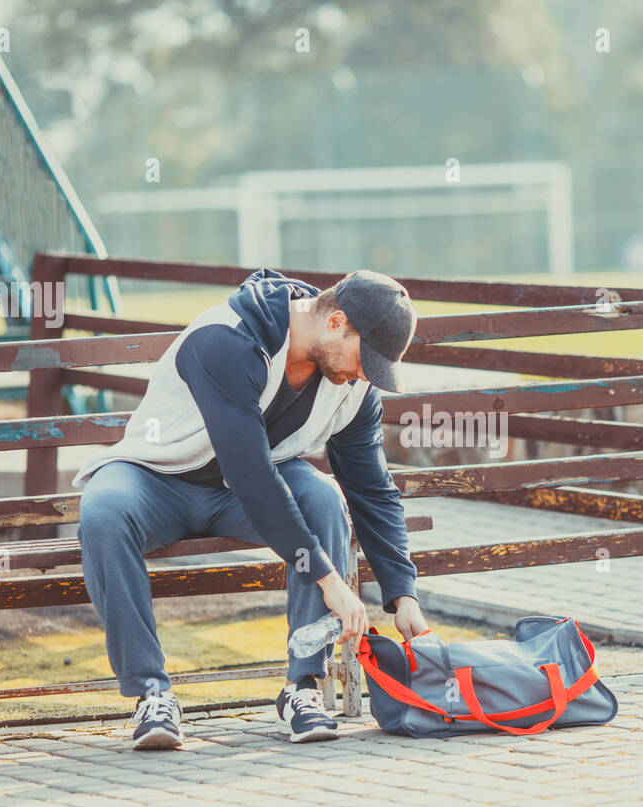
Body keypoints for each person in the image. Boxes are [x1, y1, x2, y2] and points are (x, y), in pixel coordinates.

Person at [72, 267, 428, 749]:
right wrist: (331, 581)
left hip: (243, 492)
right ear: (335, 321)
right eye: (367, 359)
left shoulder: (352, 388)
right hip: (158, 478)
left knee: (323, 498)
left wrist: (402, 594)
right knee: (103, 513)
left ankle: (302, 688)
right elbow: (249, 473)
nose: (367, 376)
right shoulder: (226, 339)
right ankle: (151, 695)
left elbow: (371, 488)